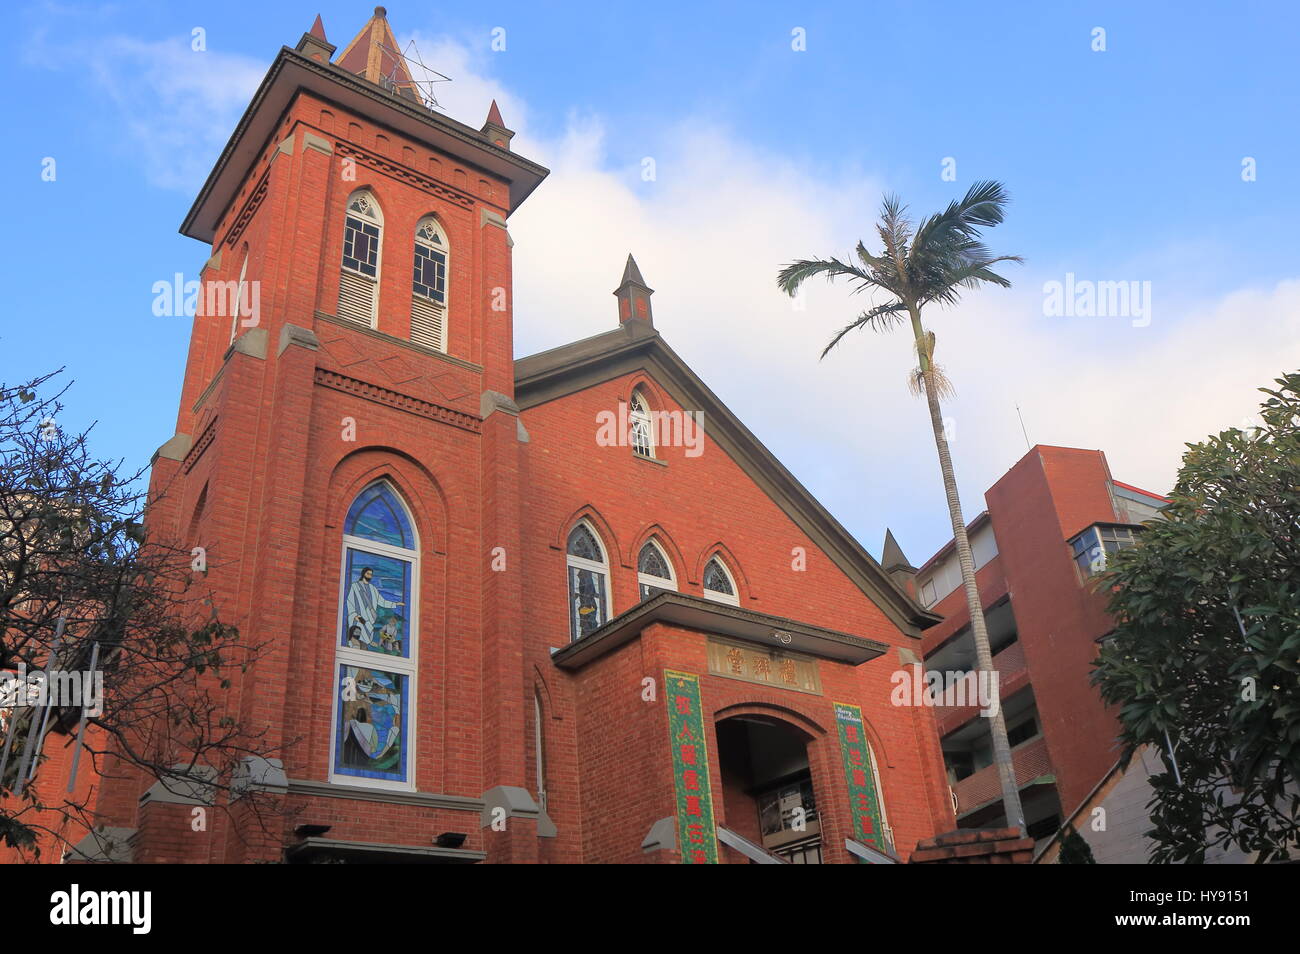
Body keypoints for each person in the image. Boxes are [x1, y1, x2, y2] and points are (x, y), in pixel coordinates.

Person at [345, 566, 403, 647]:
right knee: (357, 635)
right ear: (363, 574)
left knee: (368, 631)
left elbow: (382, 602)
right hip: (358, 616)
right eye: (368, 574)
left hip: (370, 617)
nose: (369, 576)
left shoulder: (373, 589)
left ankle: (368, 643)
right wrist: (354, 614)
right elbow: (350, 601)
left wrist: (396, 604)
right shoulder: (355, 586)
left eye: (371, 574)